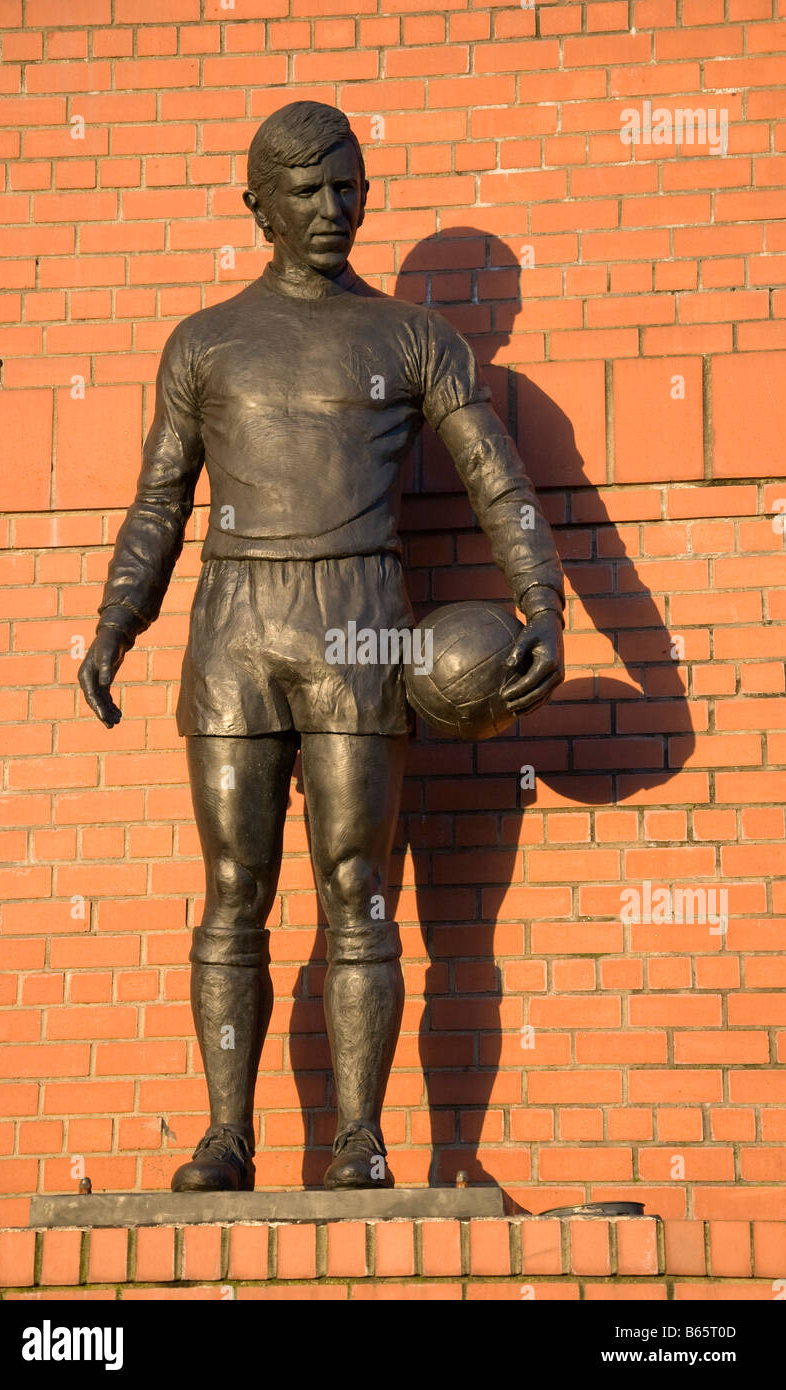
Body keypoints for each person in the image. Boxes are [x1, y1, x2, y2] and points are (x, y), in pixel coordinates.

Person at [78, 101, 565, 1192]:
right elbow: (159, 499)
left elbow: (495, 476)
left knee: (359, 885)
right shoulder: (205, 342)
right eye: (308, 192)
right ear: (258, 206)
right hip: (236, 628)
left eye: (350, 187)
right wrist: (118, 620)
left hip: (361, 623)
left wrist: (544, 602)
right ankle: (225, 1136)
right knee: (233, 885)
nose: (335, 209)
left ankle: (360, 1139)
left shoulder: (415, 340)